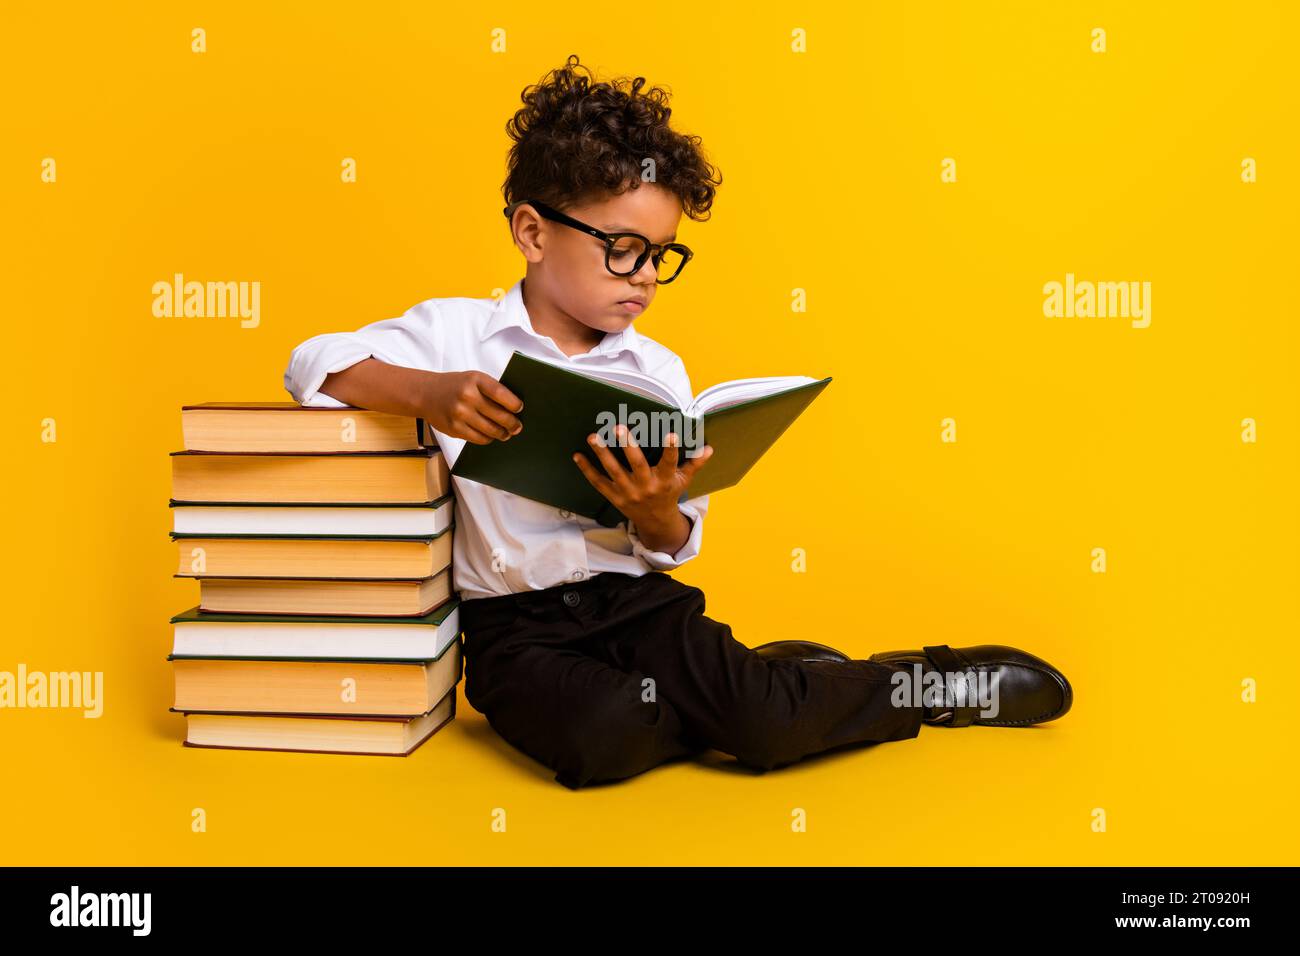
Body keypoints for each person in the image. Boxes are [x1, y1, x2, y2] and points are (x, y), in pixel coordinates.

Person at [283, 54, 1072, 789]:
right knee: (603, 739)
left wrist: (656, 515)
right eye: (624, 249)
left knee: (763, 732)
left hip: (636, 603)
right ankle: (771, 683)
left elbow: (673, 541)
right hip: (512, 630)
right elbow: (310, 363)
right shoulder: (452, 336)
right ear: (532, 232)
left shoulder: (655, 373)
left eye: (662, 254)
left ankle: (924, 683)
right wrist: (425, 393)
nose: (647, 278)